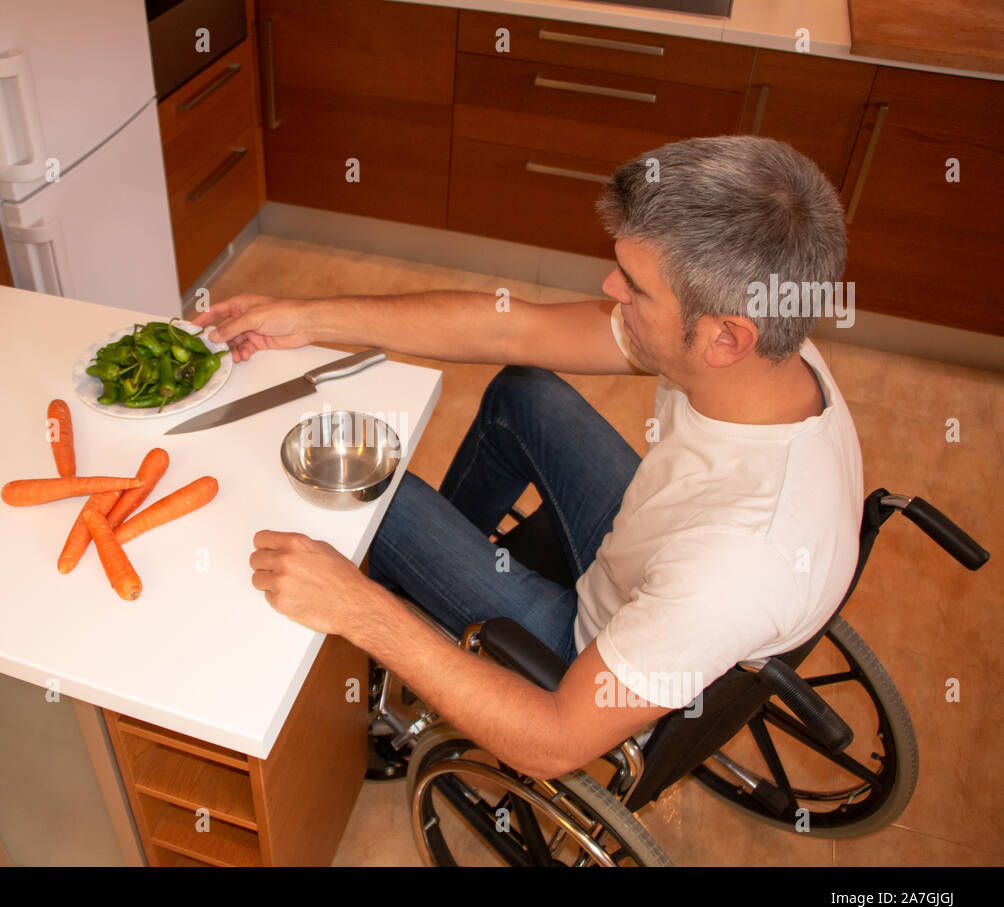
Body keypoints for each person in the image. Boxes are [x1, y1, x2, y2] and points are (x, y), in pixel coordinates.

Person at [192, 136, 863, 780]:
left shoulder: (739, 564)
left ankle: (404, 601)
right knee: (526, 392)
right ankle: (425, 588)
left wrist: (359, 609)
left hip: (585, 651)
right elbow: (516, 326)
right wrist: (304, 318)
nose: (610, 286)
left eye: (635, 286)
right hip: (646, 553)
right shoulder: (770, 353)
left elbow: (553, 742)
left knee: (380, 500)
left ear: (724, 337)